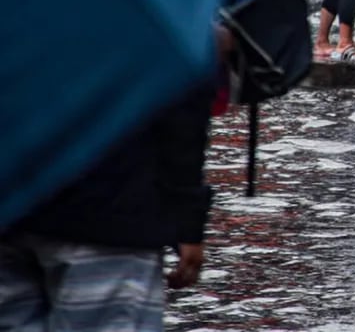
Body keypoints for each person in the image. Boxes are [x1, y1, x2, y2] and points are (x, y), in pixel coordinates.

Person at [0, 25, 233, 330]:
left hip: (14, 204)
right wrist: (188, 220)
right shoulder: (146, 10)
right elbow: (180, 120)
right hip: (110, 212)